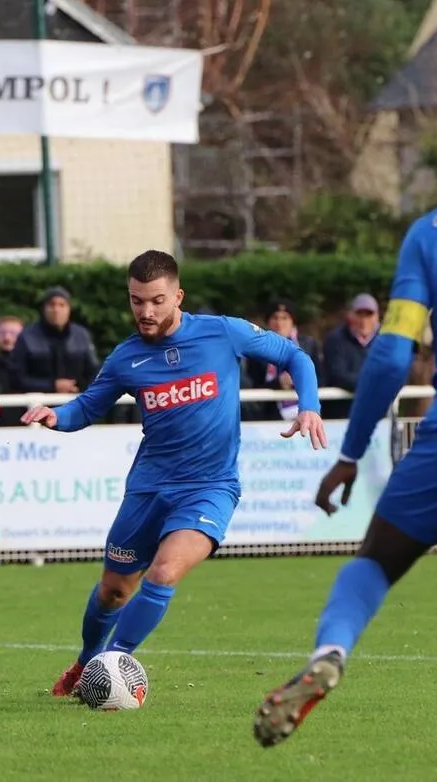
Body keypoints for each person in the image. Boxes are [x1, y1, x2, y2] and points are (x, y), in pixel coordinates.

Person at [20, 250, 327, 697]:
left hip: (210, 487)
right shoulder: (127, 358)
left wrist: (310, 407)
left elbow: (294, 356)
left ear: (178, 296)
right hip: (148, 489)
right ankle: (87, 662)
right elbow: (88, 407)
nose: (146, 312)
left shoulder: (223, 332)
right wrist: (56, 417)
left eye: (157, 301)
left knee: (163, 573)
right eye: (136, 301)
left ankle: (111, 666)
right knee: (112, 592)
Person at [253, 207, 437, 748]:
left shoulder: (428, 236)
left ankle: (330, 653)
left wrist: (350, 452)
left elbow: (390, 356)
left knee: (375, 563)